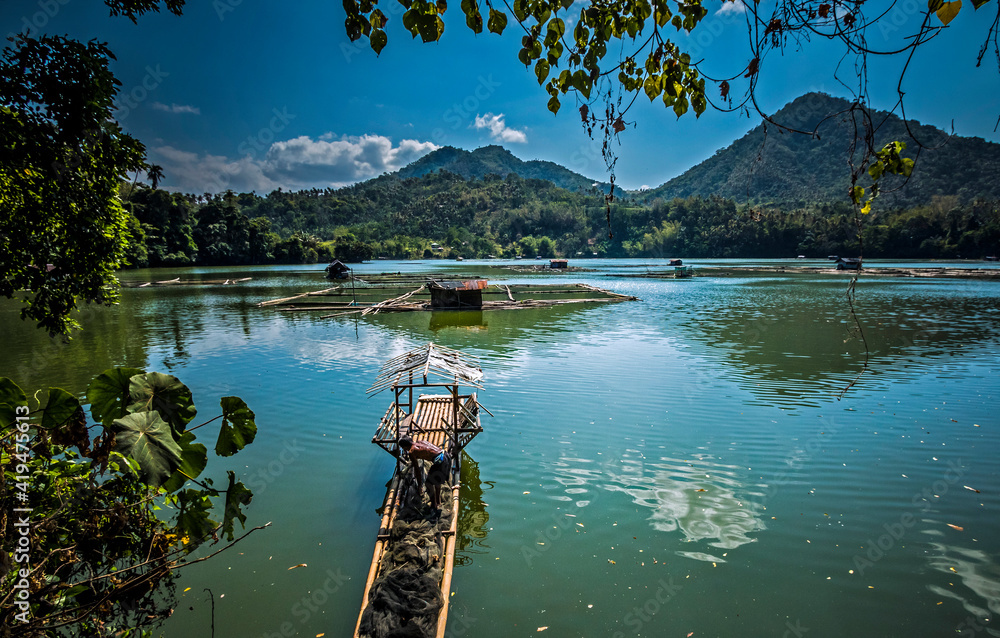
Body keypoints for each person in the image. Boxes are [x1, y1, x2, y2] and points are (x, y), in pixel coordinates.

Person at [397, 436, 451, 511]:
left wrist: (420, 486)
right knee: (437, 482)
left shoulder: (412, 452)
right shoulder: (420, 442)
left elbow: (417, 469)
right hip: (446, 455)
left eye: (403, 448)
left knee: (428, 484)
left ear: (405, 447)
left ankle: (434, 505)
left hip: (440, 462)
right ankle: (438, 502)